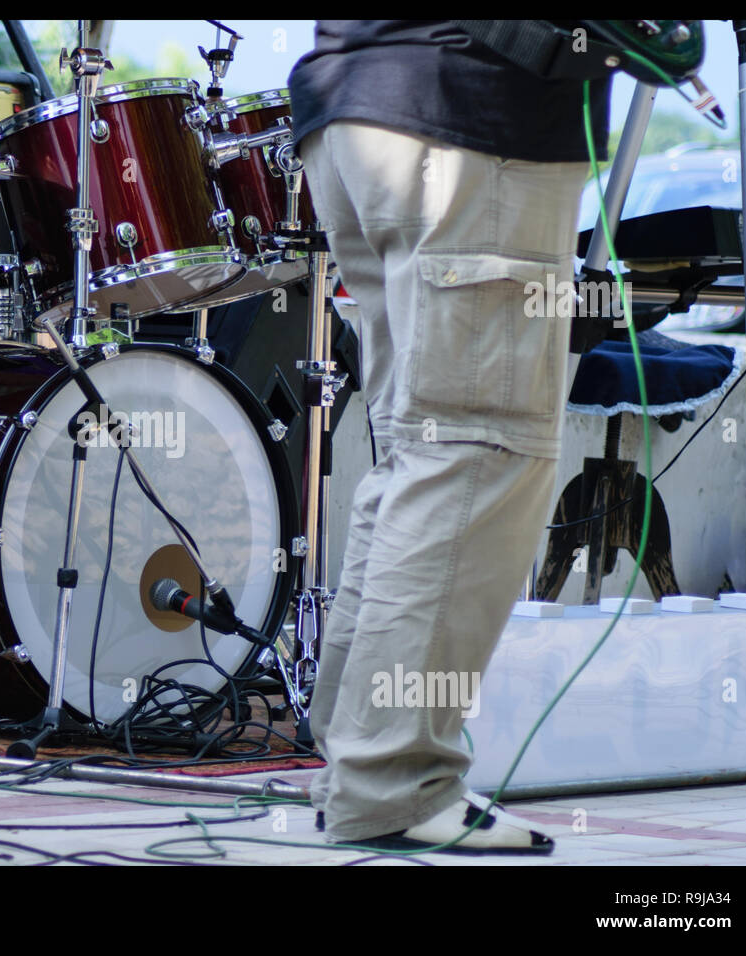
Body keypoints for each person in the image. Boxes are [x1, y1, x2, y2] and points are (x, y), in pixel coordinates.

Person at [288, 20, 610, 853]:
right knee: (478, 452)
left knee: (425, 454)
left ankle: (357, 764)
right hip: (473, 115)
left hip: (362, 107)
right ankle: (393, 784)